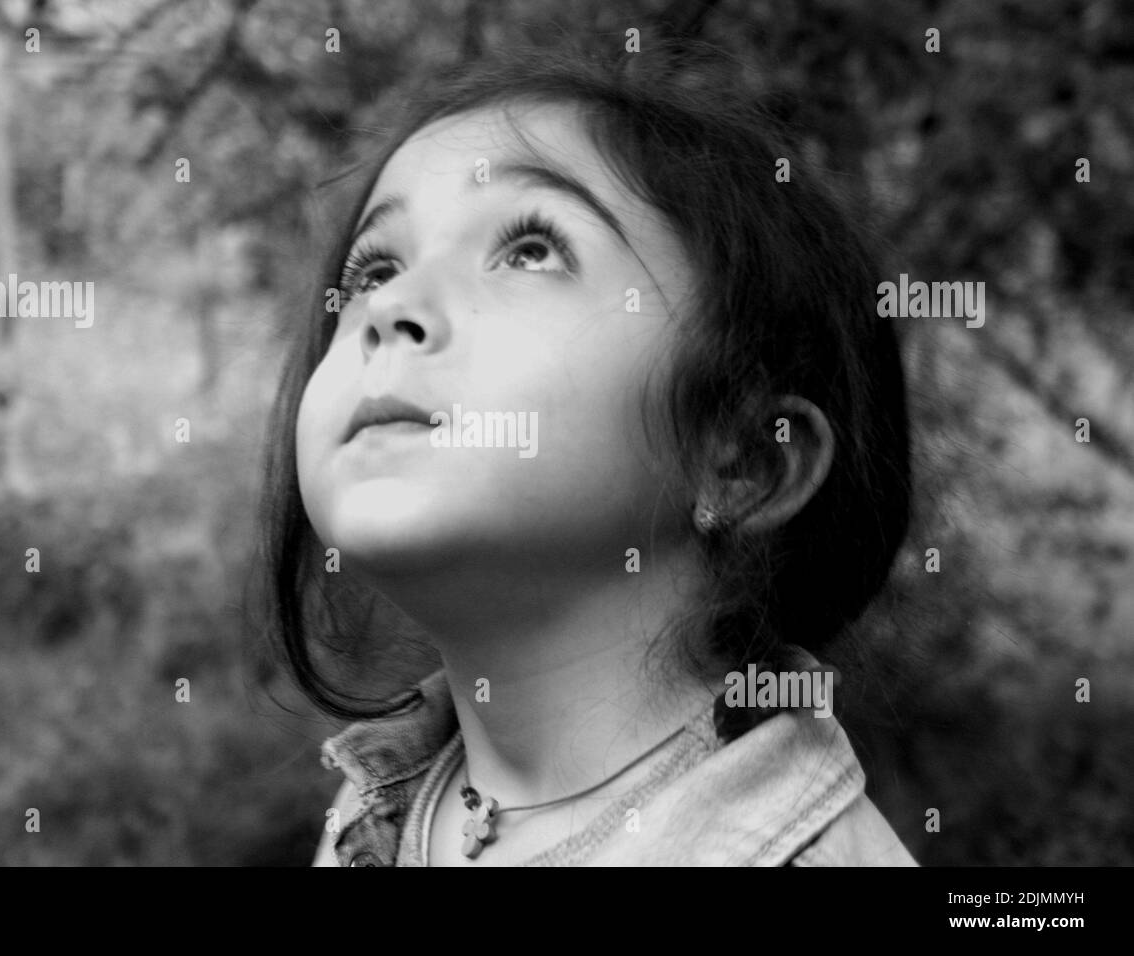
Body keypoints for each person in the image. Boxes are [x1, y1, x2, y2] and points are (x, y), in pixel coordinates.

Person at [257, 38, 917, 866]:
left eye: (530, 250)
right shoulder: (380, 810)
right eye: (371, 270)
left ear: (744, 460)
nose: (390, 308)